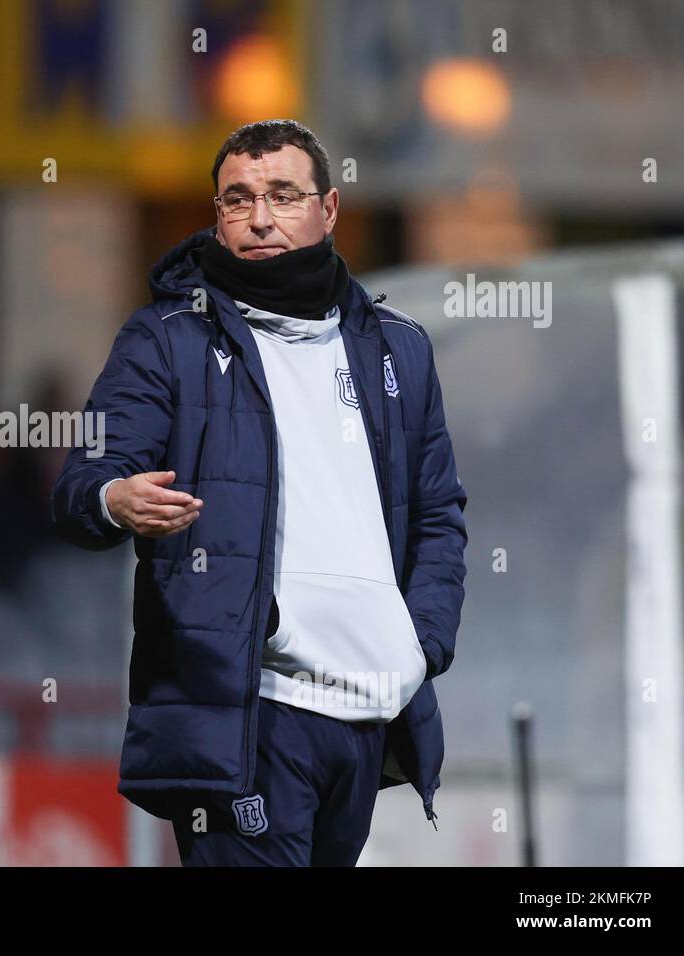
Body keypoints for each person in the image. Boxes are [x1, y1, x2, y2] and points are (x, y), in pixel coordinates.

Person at [52, 119, 468, 866]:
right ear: (216, 216)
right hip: (247, 710)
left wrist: (420, 646)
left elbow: (439, 514)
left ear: (330, 209)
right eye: (237, 201)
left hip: (368, 711)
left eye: (283, 195)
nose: (260, 218)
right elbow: (85, 478)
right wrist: (114, 499)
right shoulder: (167, 339)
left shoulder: (397, 347)